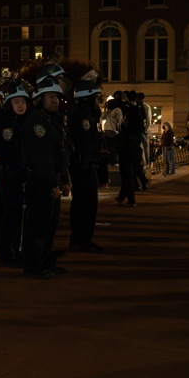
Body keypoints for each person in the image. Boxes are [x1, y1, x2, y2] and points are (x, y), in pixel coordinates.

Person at [0, 79, 57, 279]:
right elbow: (8, 155)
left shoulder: (19, 122)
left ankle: (14, 252)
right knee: (12, 214)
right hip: (10, 178)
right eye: (16, 102)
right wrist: (19, 177)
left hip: (21, 177)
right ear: (8, 103)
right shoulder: (6, 124)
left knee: (19, 216)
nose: (21, 105)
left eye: (23, 102)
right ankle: (6, 253)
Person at [32, 74, 69, 274]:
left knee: (50, 225)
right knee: (39, 226)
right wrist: (52, 183)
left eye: (56, 97)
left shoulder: (52, 121)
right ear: (39, 99)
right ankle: (34, 264)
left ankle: (46, 260)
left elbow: (60, 153)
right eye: (50, 97)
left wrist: (64, 179)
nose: (55, 101)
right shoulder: (37, 122)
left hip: (52, 179)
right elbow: (42, 157)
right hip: (41, 182)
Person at [66, 79, 106, 252]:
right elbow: (83, 141)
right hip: (82, 165)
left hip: (87, 163)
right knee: (84, 204)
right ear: (87, 98)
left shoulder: (87, 114)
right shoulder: (80, 115)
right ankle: (80, 239)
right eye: (95, 98)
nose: (97, 101)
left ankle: (83, 238)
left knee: (88, 203)